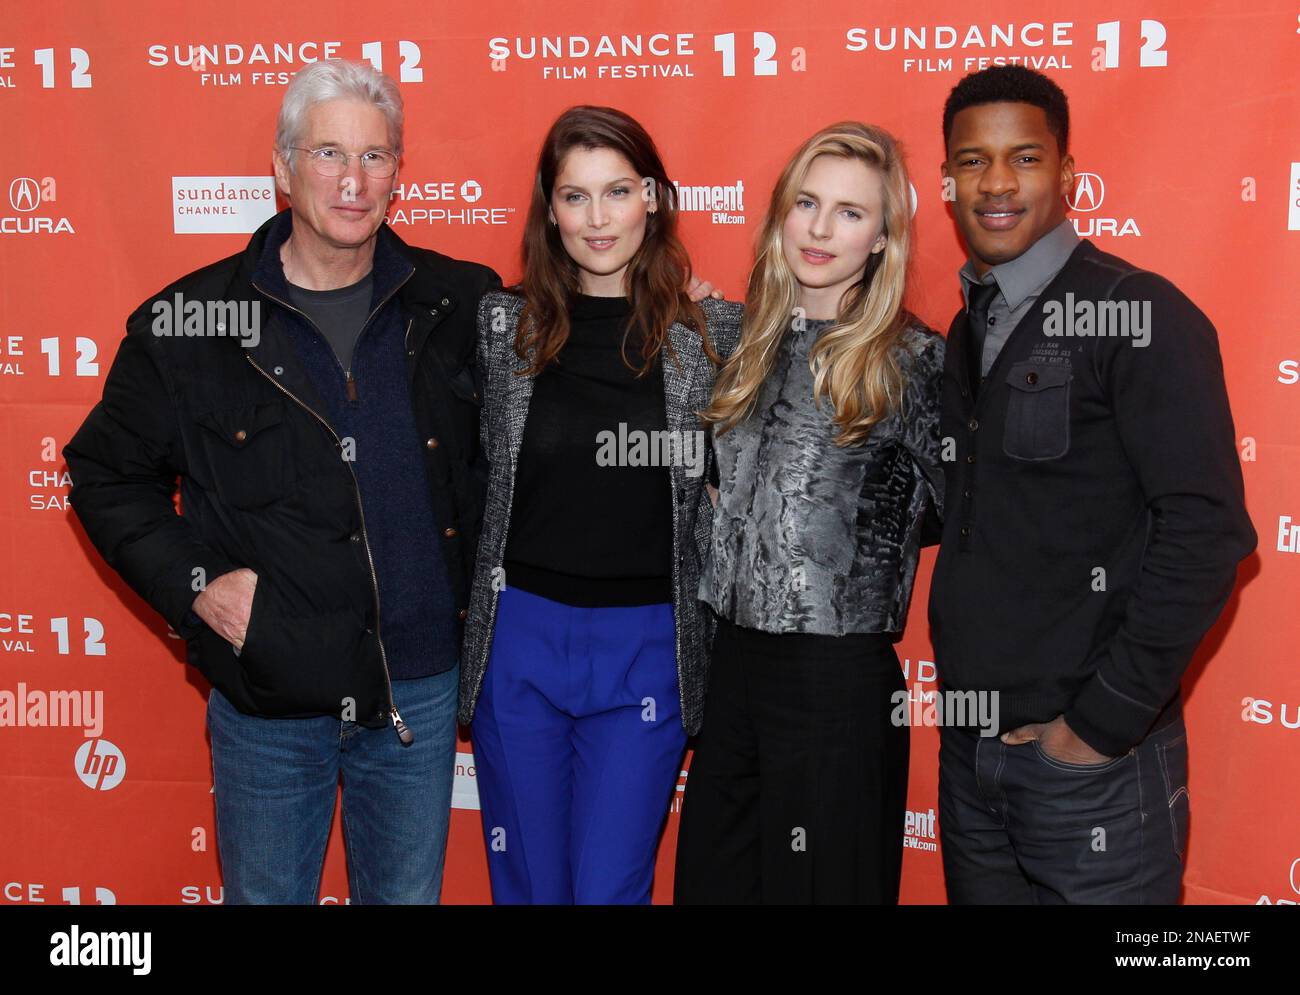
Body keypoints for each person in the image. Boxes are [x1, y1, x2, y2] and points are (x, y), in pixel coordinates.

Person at [63, 59, 501, 904]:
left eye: (375, 157)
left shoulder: (457, 304)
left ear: (397, 174)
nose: (352, 179)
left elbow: (565, 382)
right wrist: (198, 585)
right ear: (282, 167)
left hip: (416, 686)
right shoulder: (190, 323)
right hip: (269, 699)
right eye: (329, 153)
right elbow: (104, 472)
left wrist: (673, 309)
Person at [930, 65, 1257, 904]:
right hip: (972, 762)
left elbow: (1208, 529)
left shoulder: (1139, 313)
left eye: (1025, 157)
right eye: (972, 161)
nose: (997, 183)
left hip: (1089, 770)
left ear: (1068, 174)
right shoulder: (970, 325)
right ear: (947, 180)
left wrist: (1099, 724)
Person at [458, 105, 742, 904]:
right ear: (550, 208)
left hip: (648, 641)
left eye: (617, 191)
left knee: (610, 885)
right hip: (520, 636)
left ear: (653, 196)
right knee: (530, 885)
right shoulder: (500, 325)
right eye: (575, 196)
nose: (597, 218)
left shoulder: (716, 333)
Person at [674, 122, 945, 904]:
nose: (821, 229)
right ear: (780, 215)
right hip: (732, 674)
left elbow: (968, 514)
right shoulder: (744, 342)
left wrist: (868, 536)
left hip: (837, 685)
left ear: (884, 239)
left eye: (851, 212)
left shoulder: (910, 358)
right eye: (807, 202)